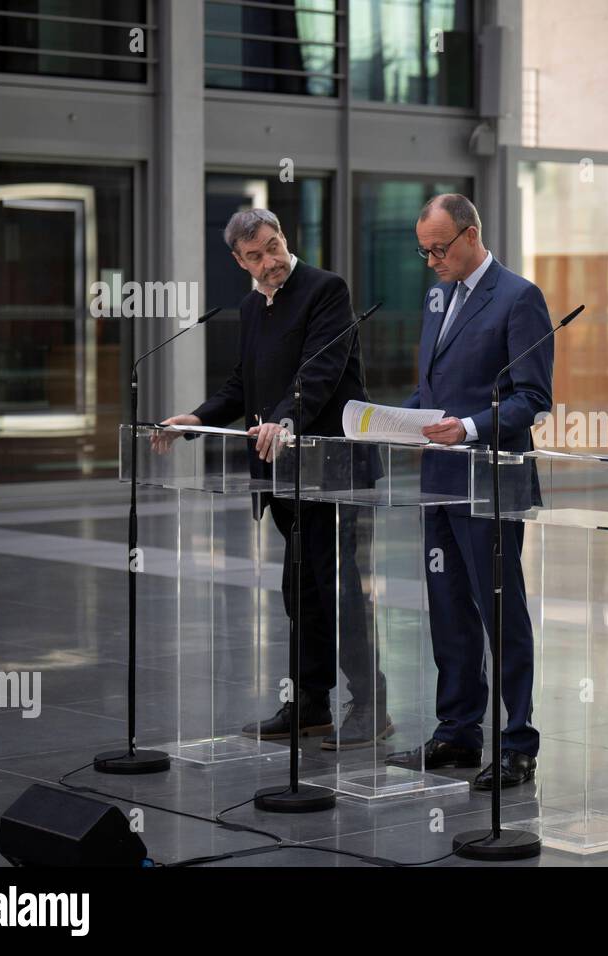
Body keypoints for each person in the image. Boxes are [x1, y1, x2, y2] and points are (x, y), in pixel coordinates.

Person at [159, 208, 390, 749]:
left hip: (332, 467)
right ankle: (310, 704)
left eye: (273, 246)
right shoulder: (249, 306)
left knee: (341, 593)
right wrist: (200, 417)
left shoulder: (325, 290)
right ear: (238, 261)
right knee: (300, 590)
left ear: (285, 237)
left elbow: (320, 370)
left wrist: (285, 420)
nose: (270, 262)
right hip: (281, 474)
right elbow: (244, 382)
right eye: (255, 256)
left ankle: (371, 704)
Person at [383, 194, 553, 791]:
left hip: (491, 480)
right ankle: (457, 732)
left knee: (499, 608)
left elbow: (533, 398)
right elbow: (433, 387)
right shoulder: (437, 296)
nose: (430, 260)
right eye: (423, 250)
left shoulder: (518, 297)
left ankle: (518, 743)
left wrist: (471, 427)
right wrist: (393, 421)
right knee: (448, 607)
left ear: (471, 234)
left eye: (438, 248)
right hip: (439, 478)